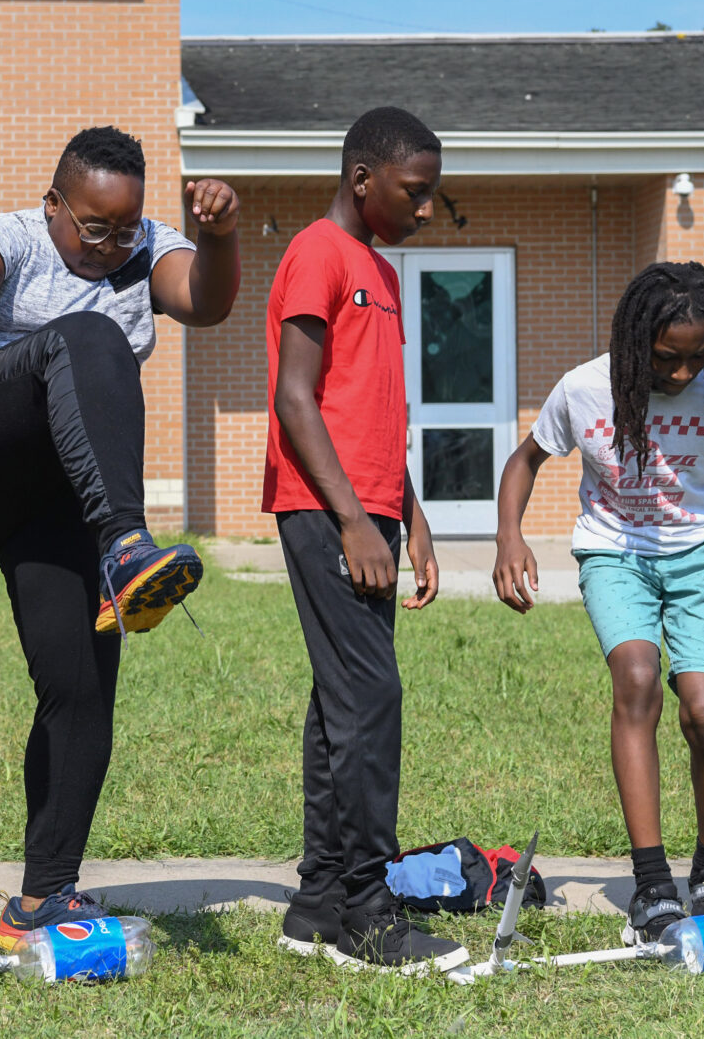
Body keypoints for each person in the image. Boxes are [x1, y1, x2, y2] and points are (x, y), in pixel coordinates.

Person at [0, 125, 240, 947]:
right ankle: (128, 544)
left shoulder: (145, 249)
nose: (109, 246)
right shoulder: (17, 238)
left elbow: (208, 300)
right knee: (90, 335)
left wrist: (220, 236)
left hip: (57, 500)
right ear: (55, 203)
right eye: (92, 227)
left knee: (83, 688)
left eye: (125, 229)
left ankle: (42, 896)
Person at [493, 261, 704, 946]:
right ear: (635, 342)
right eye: (666, 358)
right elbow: (525, 459)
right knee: (636, 680)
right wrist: (510, 537)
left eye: (696, 357)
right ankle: (653, 883)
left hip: (698, 554)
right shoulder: (586, 388)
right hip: (614, 550)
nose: (682, 374)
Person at [266, 106, 466, 973]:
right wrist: (352, 518)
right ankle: (365, 907)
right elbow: (296, 398)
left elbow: (374, 408)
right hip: (322, 508)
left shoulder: (378, 272)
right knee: (370, 699)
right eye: (414, 192)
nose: (426, 209)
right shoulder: (319, 250)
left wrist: (410, 516)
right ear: (362, 178)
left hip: (372, 508)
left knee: (341, 703)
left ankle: (316, 903)